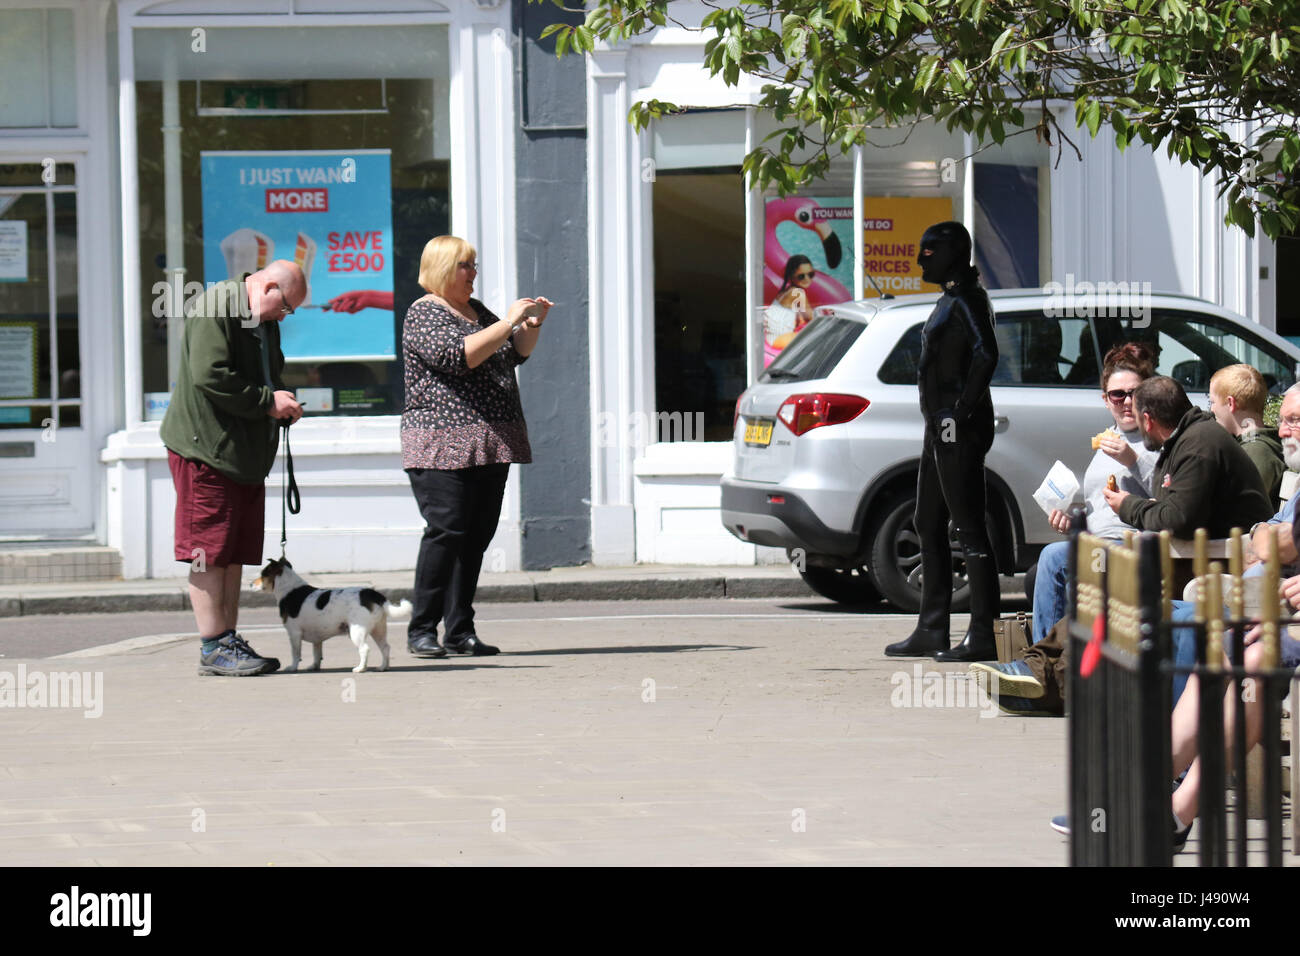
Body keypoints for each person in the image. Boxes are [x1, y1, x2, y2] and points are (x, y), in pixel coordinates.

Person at [401, 236, 550, 658]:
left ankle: (459, 630)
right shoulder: (424, 311)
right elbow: (458, 357)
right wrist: (508, 322)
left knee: (475, 536)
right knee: (447, 531)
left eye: (474, 264)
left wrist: (530, 325)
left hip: (490, 441)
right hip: (441, 443)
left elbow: (513, 355)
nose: (473, 273)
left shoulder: (477, 311)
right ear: (442, 269)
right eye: (465, 265)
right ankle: (422, 630)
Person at [160, 260, 306, 676]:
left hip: (241, 455)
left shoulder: (262, 317)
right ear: (269, 286)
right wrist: (267, 402)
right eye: (286, 307)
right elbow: (210, 375)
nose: (285, 316)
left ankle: (228, 642)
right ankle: (214, 646)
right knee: (206, 553)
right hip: (206, 450)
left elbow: (266, 375)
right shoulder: (216, 307)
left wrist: (279, 399)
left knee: (233, 553)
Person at [885, 221, 1000, 662]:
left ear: (952, 254)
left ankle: (984, 633)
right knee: (927, 519)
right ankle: (932, 627)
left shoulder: (968, 299)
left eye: (929, 253)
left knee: (967, 526)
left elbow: (987, 353)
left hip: (956, 429)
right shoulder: (952, 298)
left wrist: (961, 410)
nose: (919, 261)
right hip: (940, 429)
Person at [1104, 375, 1273, 538]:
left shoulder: (1198, 445)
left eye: (1137, 418)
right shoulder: (1188, 438)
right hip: (1212, 547)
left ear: (1148, 420)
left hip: (1235, 551)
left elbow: (1179, 521)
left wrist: (1127, 505)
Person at [1207, 363, 1286, 508]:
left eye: (1212, 402)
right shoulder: (1255, 446)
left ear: (1230, 403)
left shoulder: (1256, 452)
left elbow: (1239, 507)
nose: (1211, 409)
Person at [763, 255, 814, 361]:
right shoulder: (798, 293)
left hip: (772, 337)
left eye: (810, 274)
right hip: (780, 339)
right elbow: (812, 318)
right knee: (816, 338)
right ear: (791, 276)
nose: (807, 279)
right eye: (801, 276)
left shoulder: (785, 291)